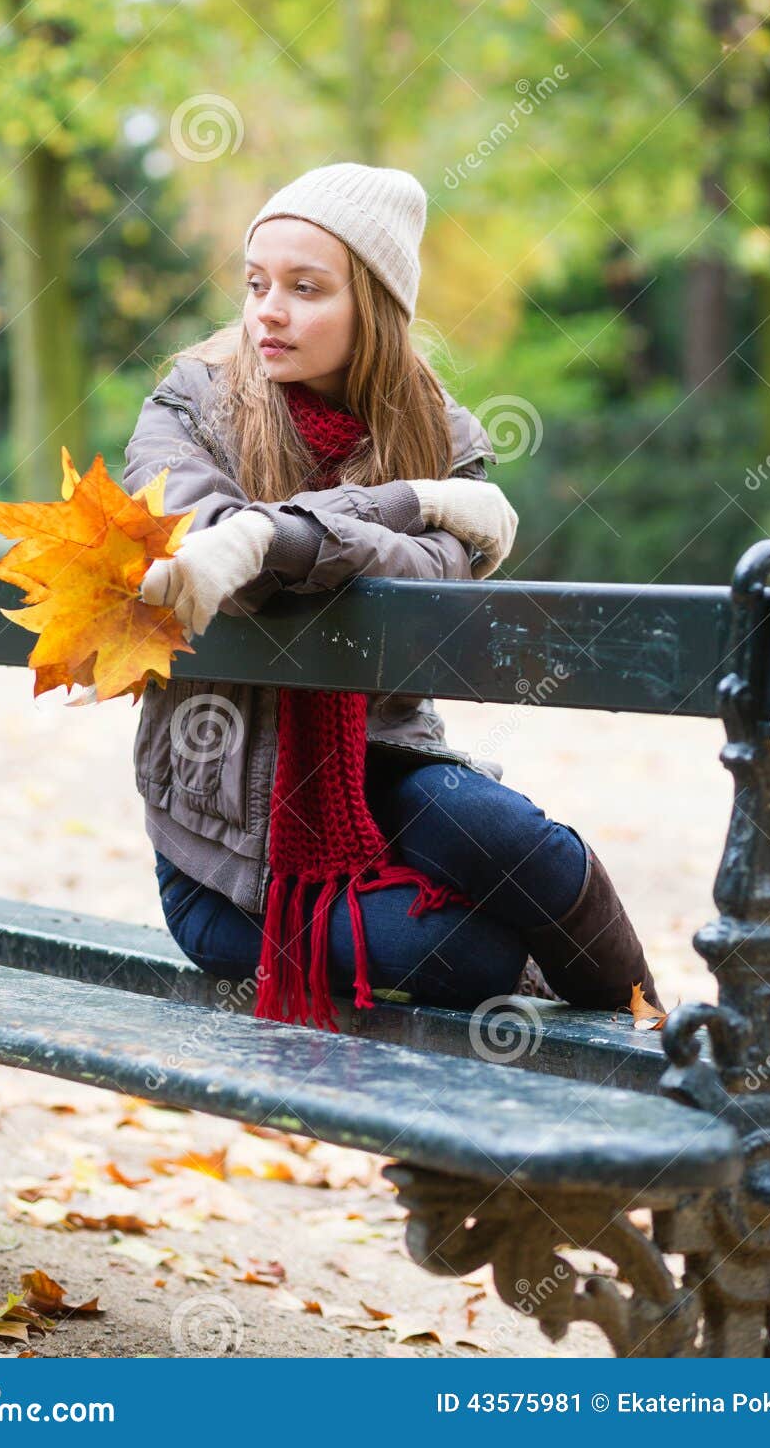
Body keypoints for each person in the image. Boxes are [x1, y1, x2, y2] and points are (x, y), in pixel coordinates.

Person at [122, 161, 661, 1031]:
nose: (268, 310)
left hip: (383, 762)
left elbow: (433, 582)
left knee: (530, 852)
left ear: (372, 305)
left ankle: (665, 1037)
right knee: (471, 957)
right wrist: (409, 506)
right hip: (224, 865)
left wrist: (281, 534)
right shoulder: (189, 406)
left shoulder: (442, 435)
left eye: (305, 287)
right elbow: (215, 551)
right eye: (256, 283)